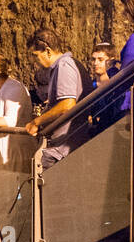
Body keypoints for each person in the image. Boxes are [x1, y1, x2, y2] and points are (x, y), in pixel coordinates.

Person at [24, 30, 93, 168]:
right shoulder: (68, 65)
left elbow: (67, 105)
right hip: (65, 148)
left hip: (61, 151)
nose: (36, 62)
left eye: (36, 56)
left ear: (47, 51)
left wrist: (36, 122)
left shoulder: (64, 65)